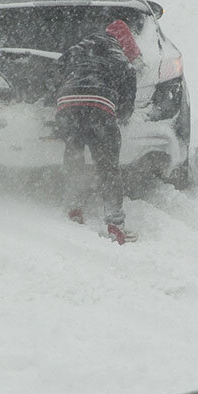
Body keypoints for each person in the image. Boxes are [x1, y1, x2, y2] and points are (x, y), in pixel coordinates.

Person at [53, 19, 140, 244]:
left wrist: (60, 97)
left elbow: (58, 68)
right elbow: (129, 74)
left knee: (74, 153)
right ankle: (115, 224)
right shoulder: (117, 52)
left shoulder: (77, 48)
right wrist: (123, 113)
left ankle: (74, 208)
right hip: (99, 105)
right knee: (108, 166)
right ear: (123, 42)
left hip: (68, 104)